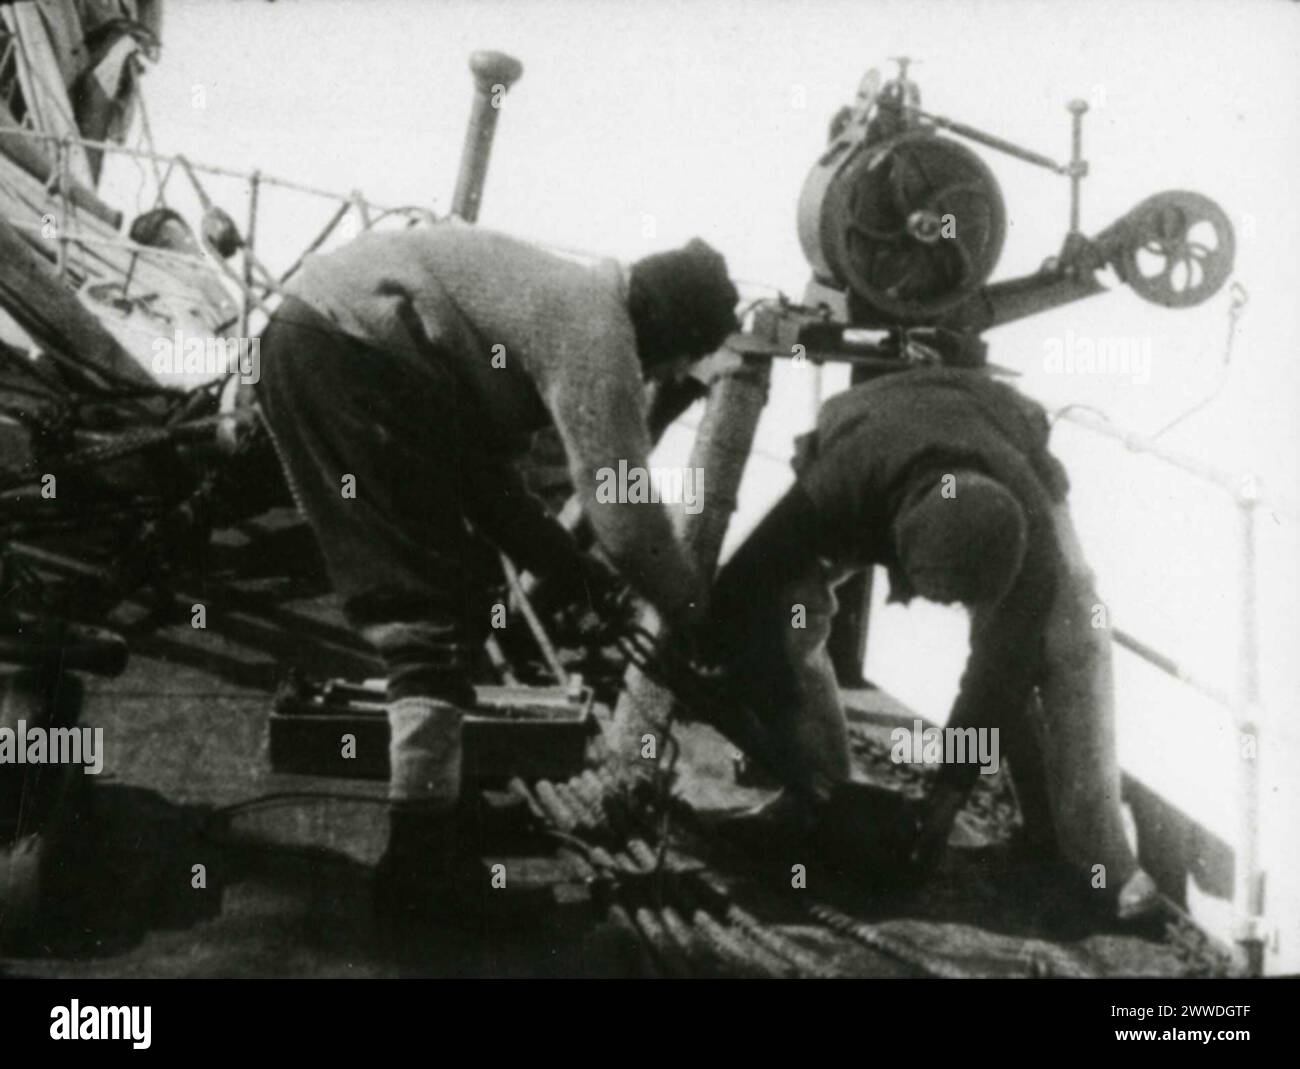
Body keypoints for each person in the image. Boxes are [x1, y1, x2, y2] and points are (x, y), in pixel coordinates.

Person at [254, 223, 739, 914]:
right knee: (424, 611)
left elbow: (484, 482)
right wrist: (692, 611)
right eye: (672, 365)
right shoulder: (598, 332)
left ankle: (446, 805)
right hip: (347, 355)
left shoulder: (567, 300)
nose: (658, 380)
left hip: (334, 342)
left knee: (466, 581)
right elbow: (623, 511)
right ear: (668, 330)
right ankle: (420, 864)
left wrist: (571, 571)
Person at [700, 366, 1157, 921]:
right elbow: (747, 580)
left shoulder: (1029, 539)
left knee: (1074, 636)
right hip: (874, 428)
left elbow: (997, 674)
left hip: (997, 428)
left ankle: (1099, 858)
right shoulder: (839, 487)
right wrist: (720, 669)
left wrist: (948, 793)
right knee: (792, 609)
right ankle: (816, 794)